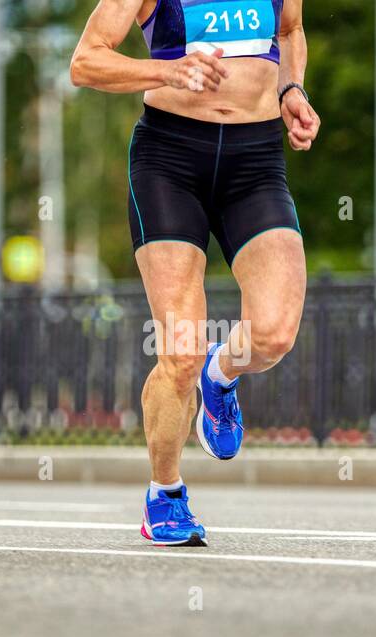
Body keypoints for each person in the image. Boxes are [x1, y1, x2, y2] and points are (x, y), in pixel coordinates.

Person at [71, 0, 320, 545]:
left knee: (275, 333)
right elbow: (86, 61)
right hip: (169, 161)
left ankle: (222, 374)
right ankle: (166, 494)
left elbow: (292, 29)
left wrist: (291, 90)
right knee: (179, 351)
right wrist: (167, 70)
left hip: (255, 164)